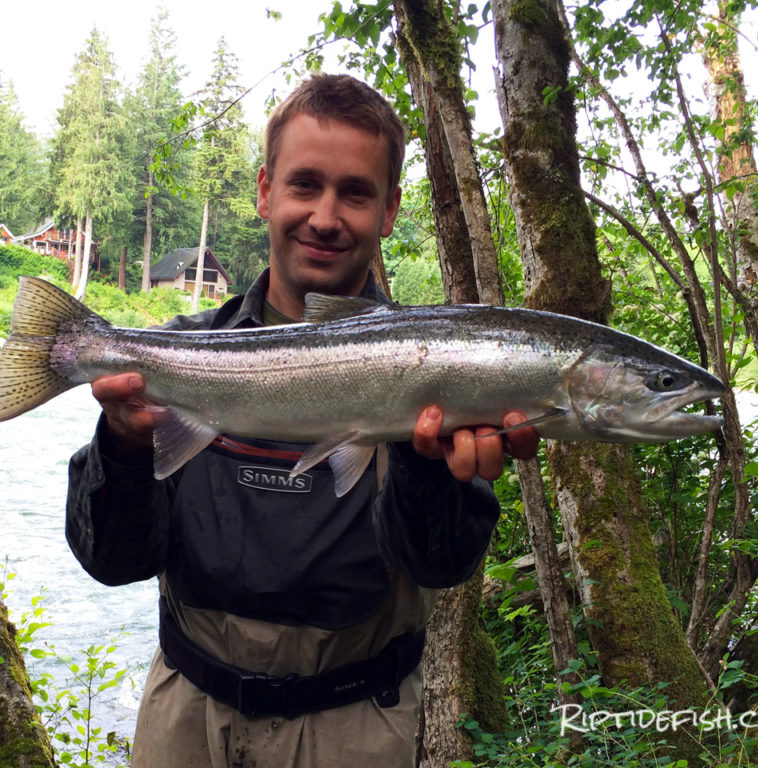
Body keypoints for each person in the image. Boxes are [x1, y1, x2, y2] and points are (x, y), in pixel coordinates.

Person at [65, 73, 538, 768]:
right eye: (304, 184)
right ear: (264, 191)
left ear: (390, 210)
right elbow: (112, 563)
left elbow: (440, 567)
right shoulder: (180, 359)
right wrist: (126, 449)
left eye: (354, 192)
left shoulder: (438, 372)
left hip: (357, 726)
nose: (325, 215)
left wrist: (425, 462)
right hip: (187, 721)